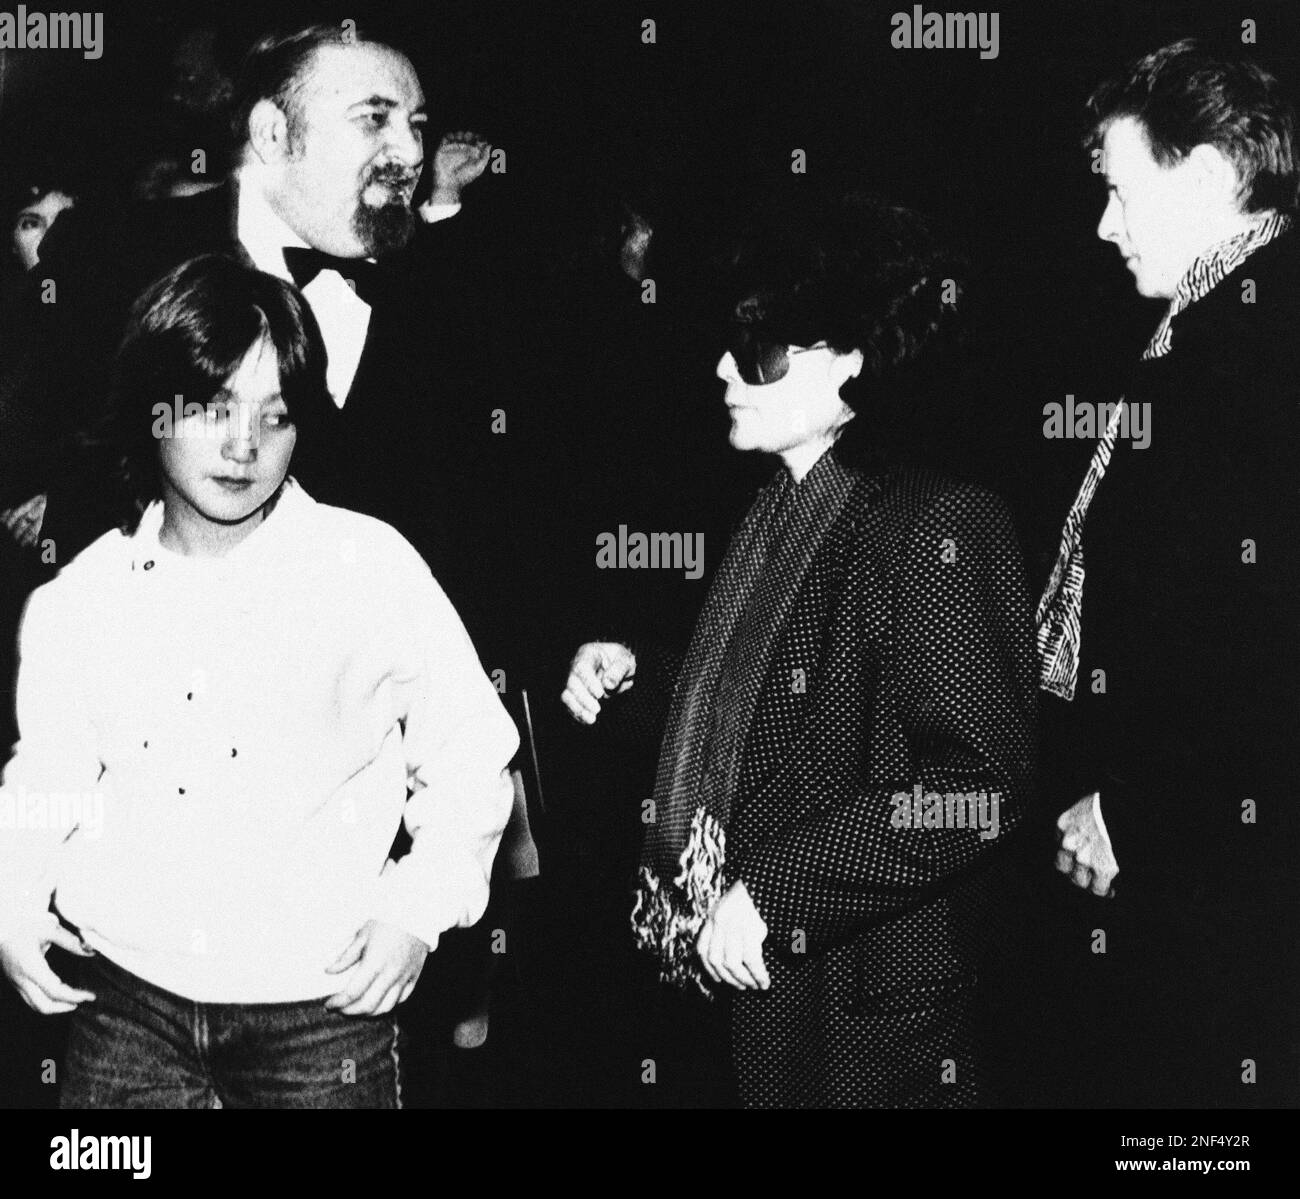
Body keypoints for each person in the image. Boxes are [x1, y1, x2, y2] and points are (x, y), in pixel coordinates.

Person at [0, 254, 518, 1108]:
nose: (245, 444)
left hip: (322, 1012)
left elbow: (471, 755)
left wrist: (417, 911)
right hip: (125, 1006)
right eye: (214, 408)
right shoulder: (85, 596)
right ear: (152, 407)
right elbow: (46, 775)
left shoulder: (367, 569)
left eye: (276, 416)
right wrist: (14, 897)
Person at [562, 193, 1037, 1108]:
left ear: (852, 360)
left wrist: (779, 891)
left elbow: (979, 789)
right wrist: (637, 677)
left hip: (865, 1022)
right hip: (755, 996)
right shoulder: (782, 507)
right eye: (732, 343)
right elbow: (773, 714)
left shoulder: (936, 520)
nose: (724, 369)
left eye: (761, 350)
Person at [1039, 38, 1299, 1105]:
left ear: (1202, 177)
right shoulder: (1212, 324)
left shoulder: (1255, 347)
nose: (1104, 225)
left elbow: (1264, 645)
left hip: (1230, 893)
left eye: (1118, 189)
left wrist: (1137, 813)